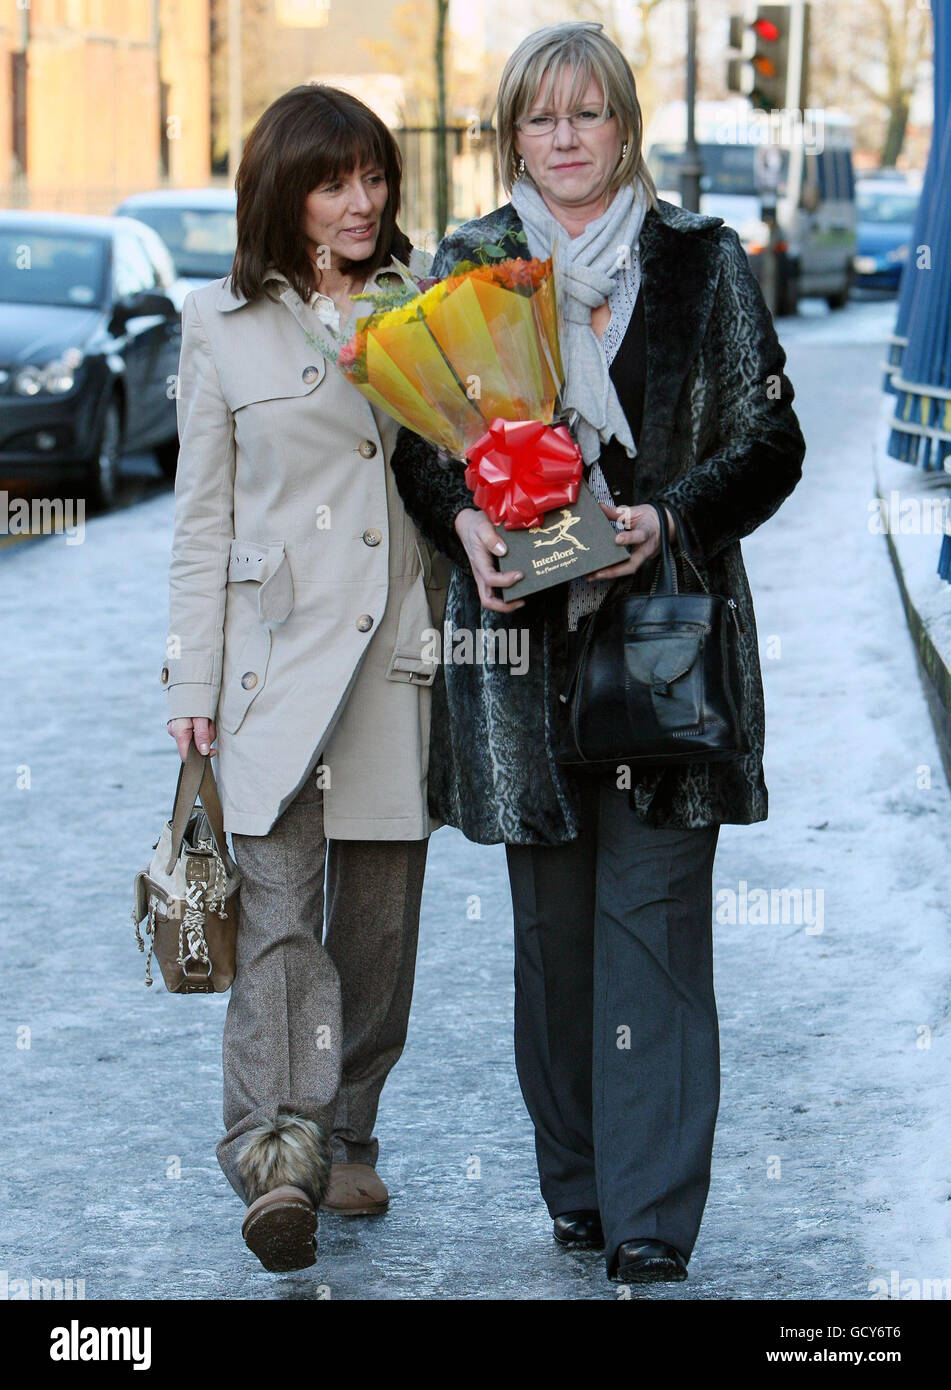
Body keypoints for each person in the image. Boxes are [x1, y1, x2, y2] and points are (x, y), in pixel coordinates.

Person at [390, 21, 806, 1286]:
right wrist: (457, 509)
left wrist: (667, 518)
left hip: (668, 652)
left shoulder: (700, 261)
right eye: (539, 118)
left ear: (624, 126)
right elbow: (417, 444)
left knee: (659, 928)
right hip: (522, 659)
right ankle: (575, 1181)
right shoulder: (474, 266)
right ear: (511, 134)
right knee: (555, 938)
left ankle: (649, 1215)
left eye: (587, 115)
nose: (564, 139)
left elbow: (774, 443)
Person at [163, 84, 445, 1273]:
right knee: (277, 924)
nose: (362, 201)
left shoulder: (432, 304)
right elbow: (199, 519)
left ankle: (348, 1131)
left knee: (377, 931)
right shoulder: (219, 327)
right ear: (284, 194)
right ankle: (277, 1156)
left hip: (394, 660)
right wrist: (191, 680)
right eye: (333, 182)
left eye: (374, 176)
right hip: (271, 670)